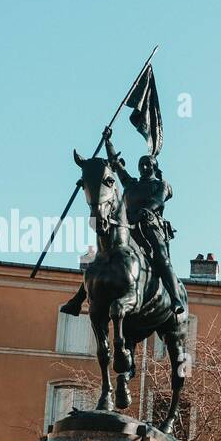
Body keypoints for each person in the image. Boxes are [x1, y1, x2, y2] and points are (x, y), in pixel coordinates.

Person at [61, 126, 185, 317]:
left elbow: (157, 201)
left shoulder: (161, 185)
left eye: (148, 164)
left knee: (161, 256)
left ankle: (176, 298)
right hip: (126, 226)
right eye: (141, 164)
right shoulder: (132, 184)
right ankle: (78, 299)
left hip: (149, 226)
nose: (144, 167)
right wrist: (108, 142)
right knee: (102, 258)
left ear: (154, 167)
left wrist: (143, 212)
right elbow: (116, 166)